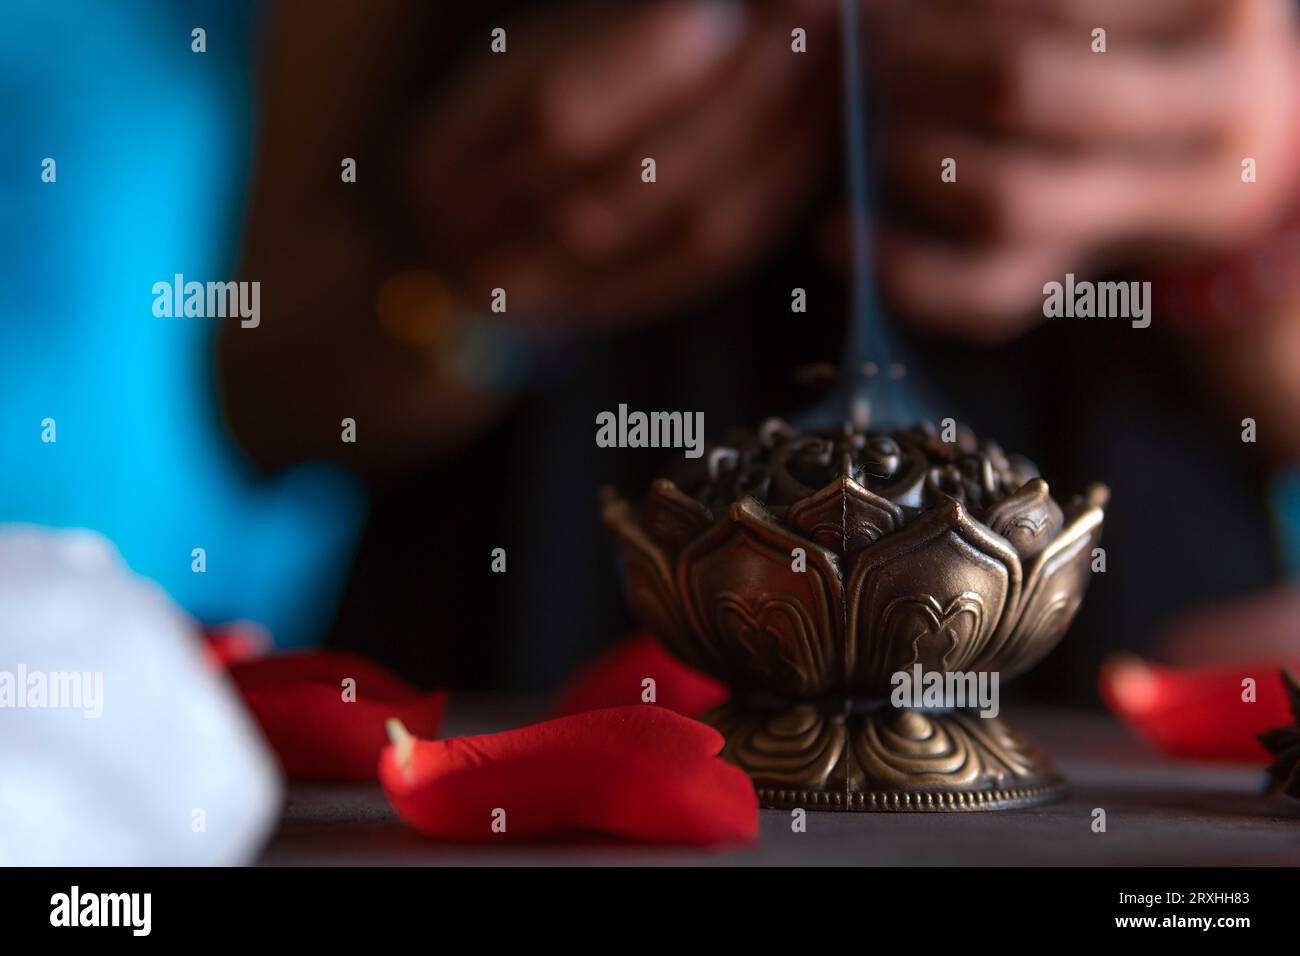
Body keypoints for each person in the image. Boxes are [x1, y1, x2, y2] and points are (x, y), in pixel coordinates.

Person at [221, 0, 1300, 696]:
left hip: (1130, 711)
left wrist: (1253, 208)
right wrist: (456, 271)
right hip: (524, 698)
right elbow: (265, 390)